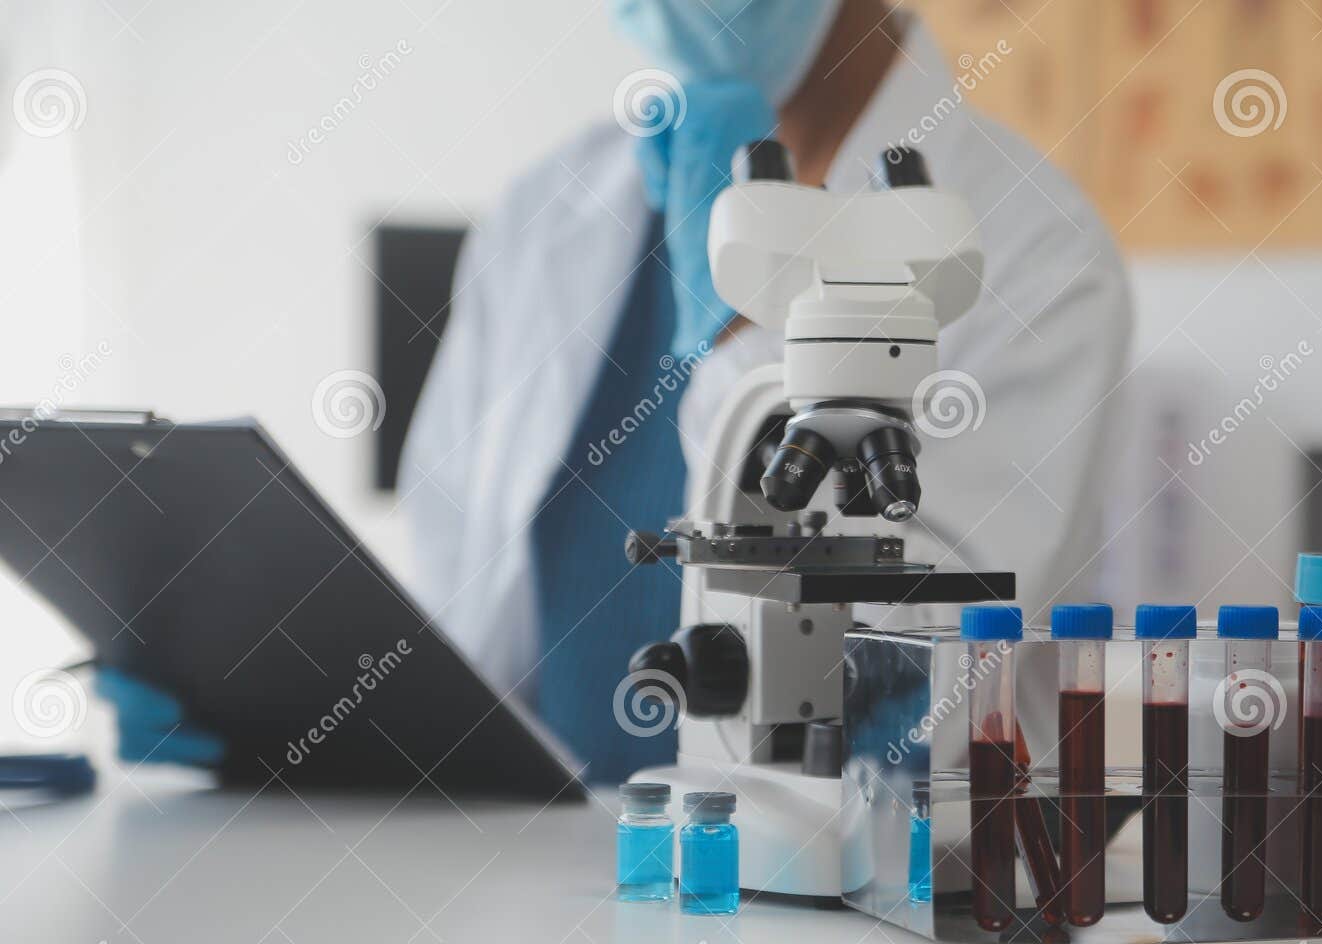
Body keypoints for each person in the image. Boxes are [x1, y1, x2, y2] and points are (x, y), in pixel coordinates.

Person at [103, 0, 1131, 786]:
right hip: (543, 899)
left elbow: (910, 702)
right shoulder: (548, 214)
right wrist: (290, 705)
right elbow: (467, 626)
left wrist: (740, 330)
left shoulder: (1029, 247)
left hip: (849, 915)